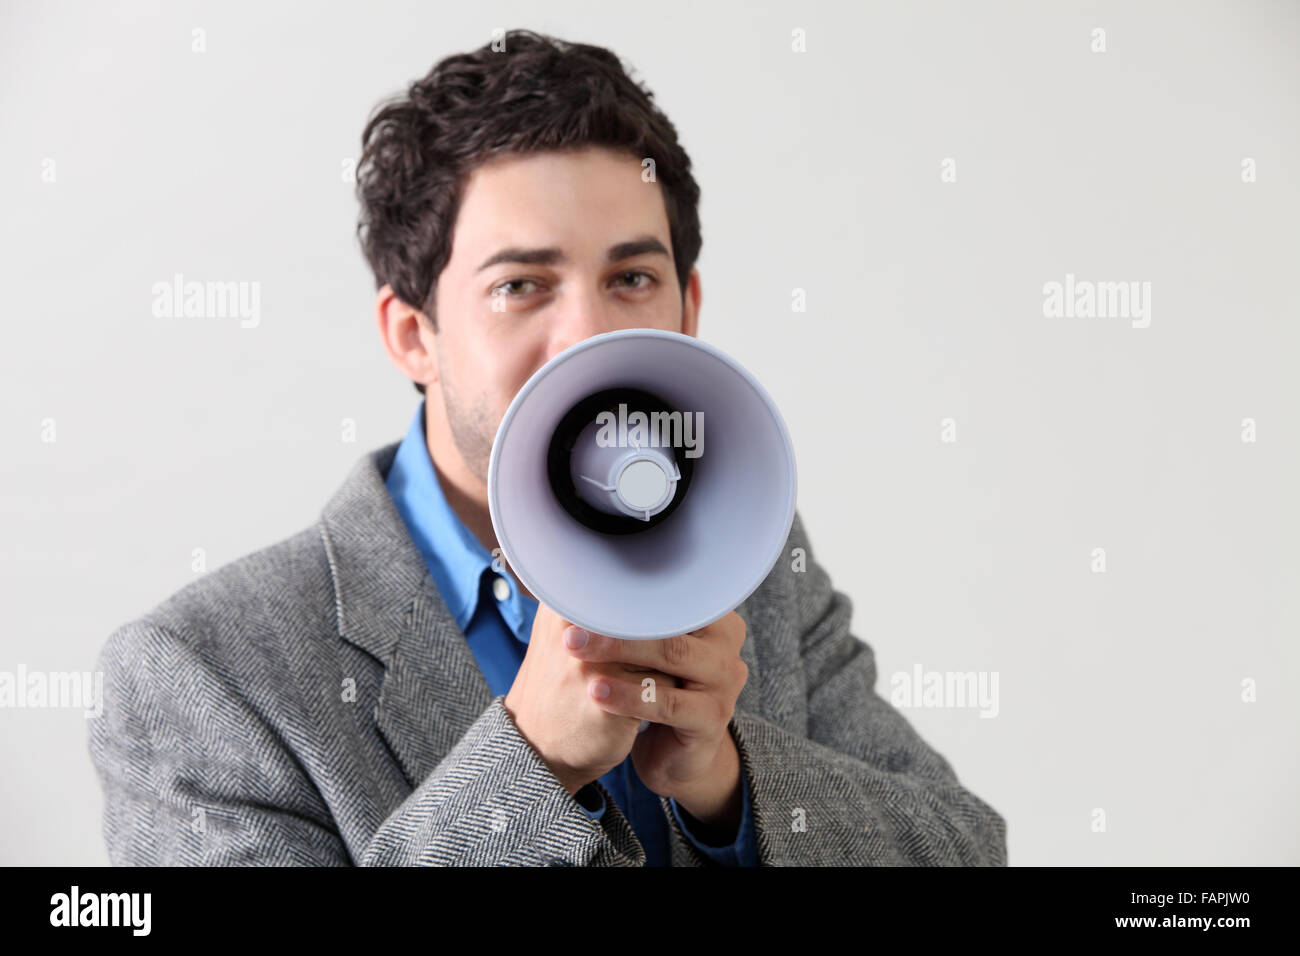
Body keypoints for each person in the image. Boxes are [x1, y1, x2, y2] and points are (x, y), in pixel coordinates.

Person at [88, 29, 1007, 866]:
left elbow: (968, 852)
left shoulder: (752, 559)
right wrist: (528, 764)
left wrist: (727, 787)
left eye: (632, 277)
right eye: (523, 284)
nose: (588, 338)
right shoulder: (203, 674)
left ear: (688, 310)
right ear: (413, 335)